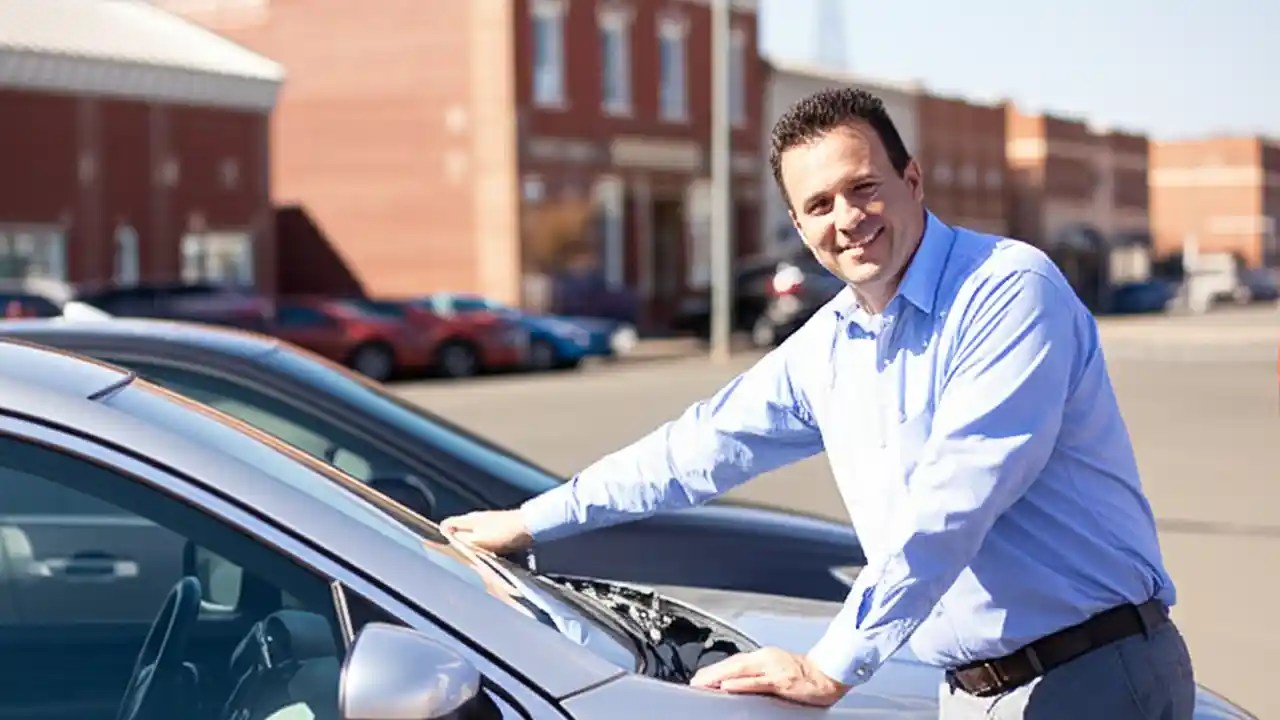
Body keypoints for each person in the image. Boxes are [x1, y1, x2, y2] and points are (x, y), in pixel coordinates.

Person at [442, 88, 1195, 718]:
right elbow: (698, 449)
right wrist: (533, 519)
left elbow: (956, 501)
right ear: (799, 228)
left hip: (1094, 674)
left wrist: (831, 666)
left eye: (865, 186)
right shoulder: (831, 343)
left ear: (913, 180)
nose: (848, 218)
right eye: (820, 203)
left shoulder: (1006, 291)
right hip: (972, 692)